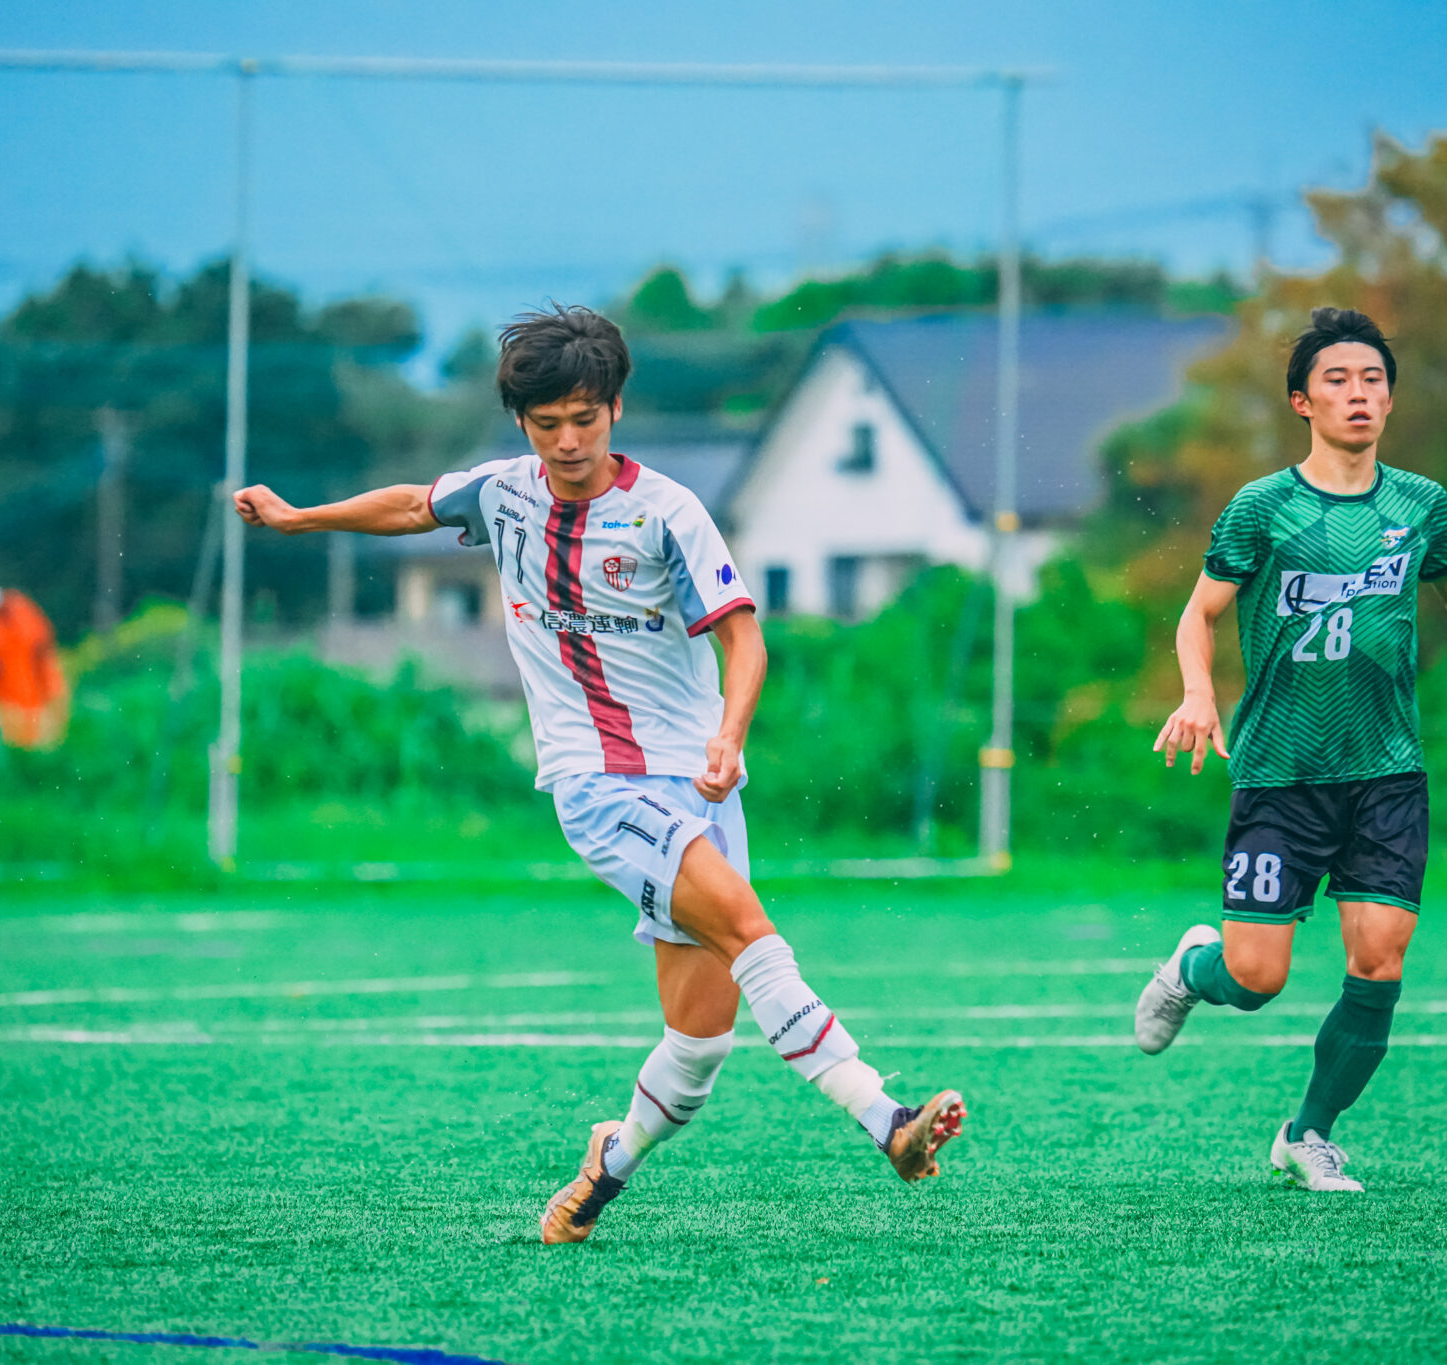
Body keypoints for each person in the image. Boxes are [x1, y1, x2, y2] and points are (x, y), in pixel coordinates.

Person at [233, 305, 964, 1244]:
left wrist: (732, 736)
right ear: (523, 424)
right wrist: (301, 519)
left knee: (701, 1040)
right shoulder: (502, 494)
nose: (569, 441)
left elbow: (744, 638)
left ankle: (603, 1171)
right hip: (598, 786)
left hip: (699, 780)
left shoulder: (668, 513)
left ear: (615, 407)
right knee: (749, 928)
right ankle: (887, 1119)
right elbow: (418, 501)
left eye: (585, 417)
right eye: (548, 425)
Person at [1135, 306, 1447, 1192]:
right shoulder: (1264, 508)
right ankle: (1192, 967)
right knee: (1257, 977)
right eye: (1338, 379)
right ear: (1302, 400)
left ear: (1390, 400)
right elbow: (1200, 612)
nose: (1358, 393)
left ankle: (1308, 1131)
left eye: (1373, 379)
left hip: (1387, 774)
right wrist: (1196, 693)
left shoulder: (1421, 505)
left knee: (1380, 958)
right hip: (1281, 775)